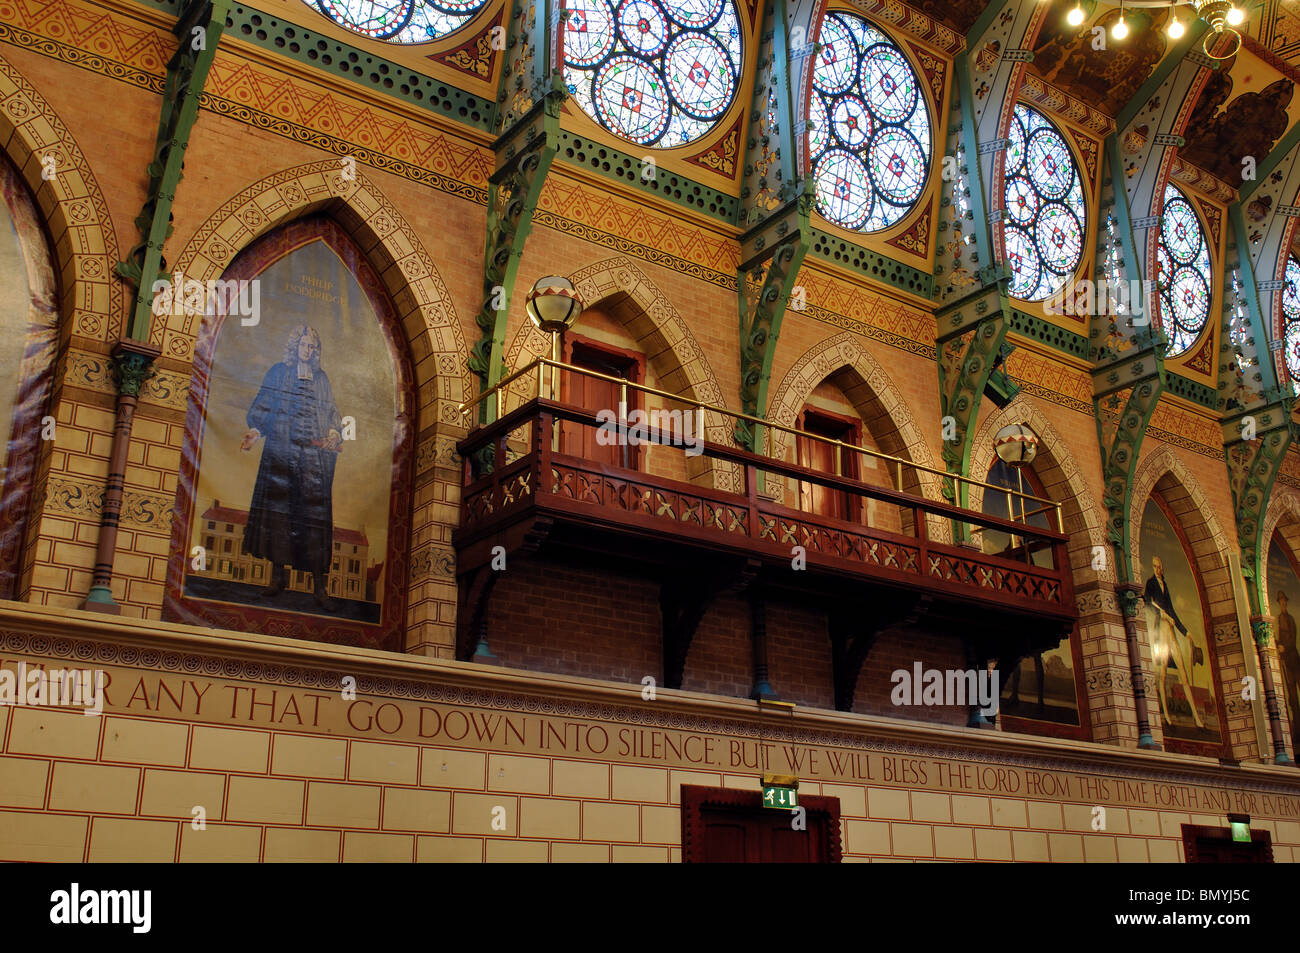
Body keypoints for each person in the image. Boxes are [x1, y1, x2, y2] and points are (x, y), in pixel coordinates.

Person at [239, 325, 343, 610]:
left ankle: (320, 588)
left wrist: (334, 432)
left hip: (312, 461)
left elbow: (332, 411)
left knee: (314, 519)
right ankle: (277, 579)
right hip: (281, 456)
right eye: (304, 345)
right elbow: (263, 405)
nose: (307, 351)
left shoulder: (321, 379)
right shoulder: (278, 373)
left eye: (312, 347)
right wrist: (254, 431)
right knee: (279, 516)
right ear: (295, 346)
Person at [1145, 555, 1205, 728]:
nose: (1157, 569)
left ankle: (1197, 718)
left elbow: (1172, 610)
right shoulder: (1151, 583)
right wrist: (1161, 613)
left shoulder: (1165, 585)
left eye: (1159, 566)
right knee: (1162, 674)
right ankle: (1166, 716)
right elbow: (1147, 601)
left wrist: (1185, 631)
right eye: (1154, 566)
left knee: (1184, 674)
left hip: (1171, 630)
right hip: (1161, 630)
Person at [1275, 591, 1300, 745]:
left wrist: (1285, 647)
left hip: (1294, 660)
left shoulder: (1290, 619)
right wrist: (1277, 644)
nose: (1282, 603)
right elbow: (1281, 638)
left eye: (1284, 601)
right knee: (1292, 699)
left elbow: (1292, 639)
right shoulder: (1279, 618)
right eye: (1281, 601)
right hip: (1286, 661)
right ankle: (1297, 731)